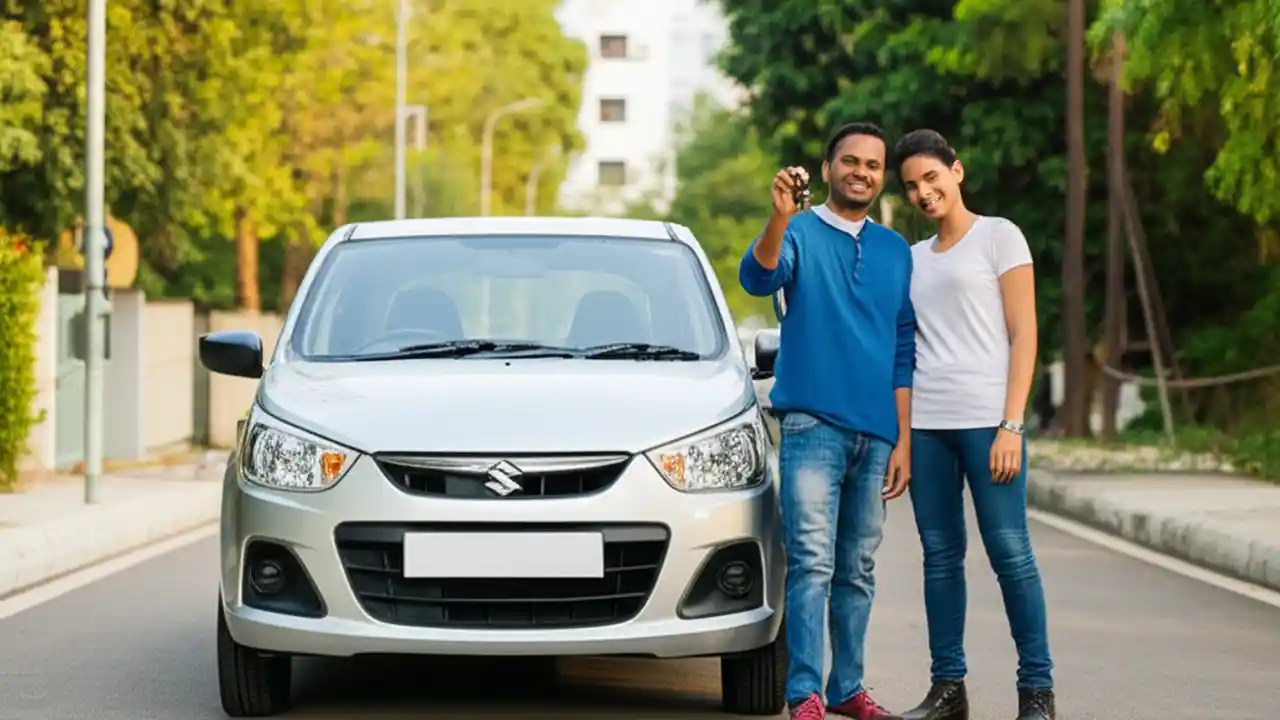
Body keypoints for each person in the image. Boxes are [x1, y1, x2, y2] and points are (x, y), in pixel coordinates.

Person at [739, 121, 916, 720]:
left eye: (872, 164)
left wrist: (902, 440)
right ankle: (805, 693)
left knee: (858, 570)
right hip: (812, 428)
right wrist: (779, 216)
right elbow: (757, 277)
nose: (861, 172)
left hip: (876, 436)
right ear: (828, 169)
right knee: (812, 565)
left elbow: (902, 348)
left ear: (881, 175)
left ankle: (847, 689)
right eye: (850, 161)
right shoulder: (799, 234)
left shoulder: (895, 251)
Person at [889, 128, 1056, 720]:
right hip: (930, 426)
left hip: (989, 424)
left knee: (1011, 553)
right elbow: (902, 352)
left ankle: (1036, 691)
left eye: (931, 177)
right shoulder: (910, 260)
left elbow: (1024, 333)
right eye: (911, 186)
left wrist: (1012, 423)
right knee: (939, 556)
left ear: (956, 171)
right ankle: (947, 690)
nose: (923, 192)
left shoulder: (999, 236)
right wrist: (903, 439)